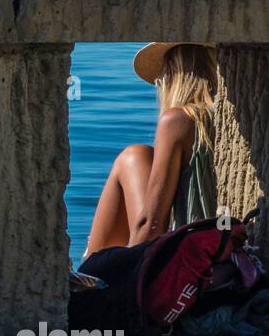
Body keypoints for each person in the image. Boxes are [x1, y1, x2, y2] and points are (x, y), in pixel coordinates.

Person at [84, 42, 218, 256]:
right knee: (141, 155)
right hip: (223, 245)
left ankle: (90, 278)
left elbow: (151, 224)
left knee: (133, 157)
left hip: (192, 256)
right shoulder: (230, 119)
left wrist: (129, 273)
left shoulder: (179, 120)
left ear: (173, 71)